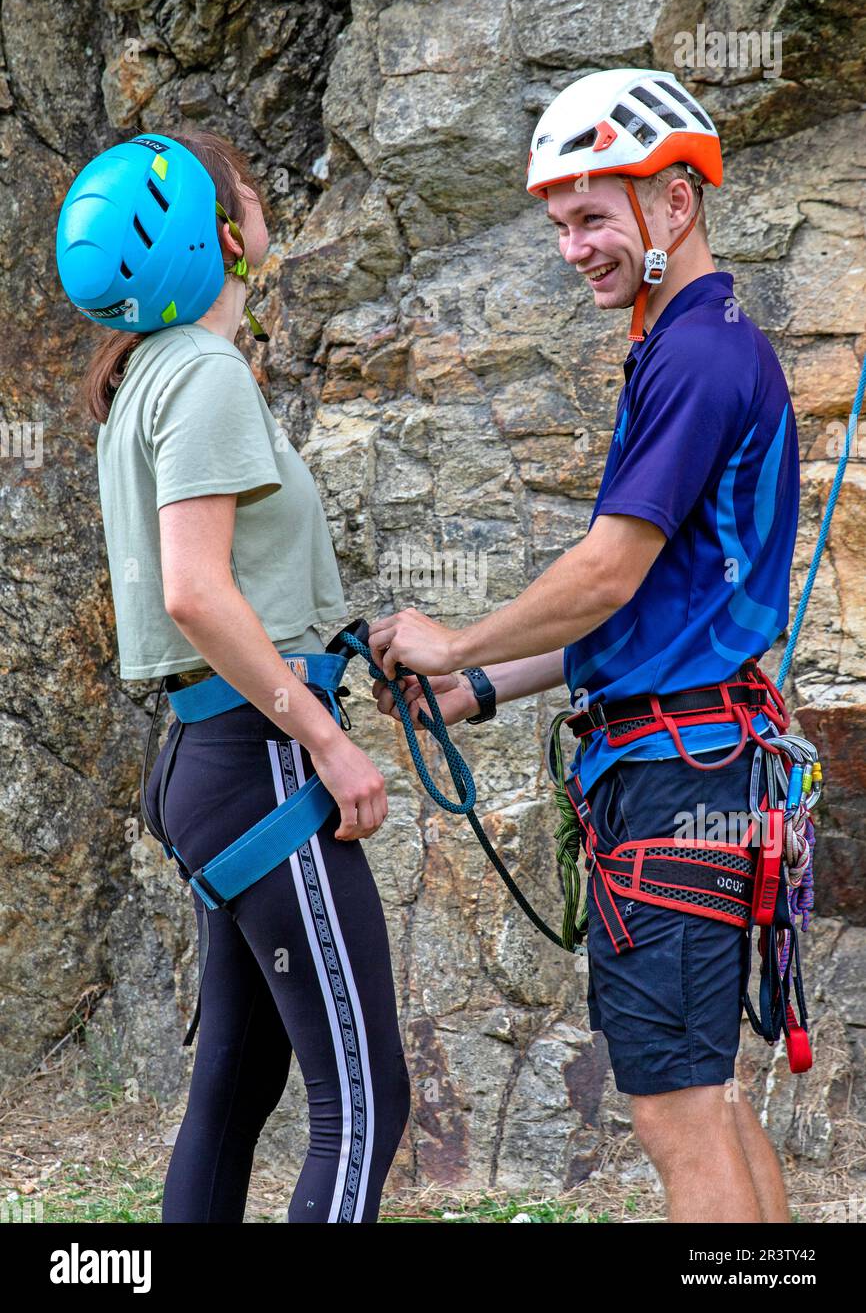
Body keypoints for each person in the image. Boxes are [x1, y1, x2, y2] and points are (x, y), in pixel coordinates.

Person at [368, 69, 799, 1223]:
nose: (572, 248)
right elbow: (648, 605)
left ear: (672, 202)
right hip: (701, 757)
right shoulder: (690, 344)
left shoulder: (696, 358)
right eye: (559, 225)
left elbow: (603, 572)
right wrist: (481, 685)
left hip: (676, 776)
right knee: (704, 1095)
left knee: (671, 1107)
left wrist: (453, 635)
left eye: (592, 216)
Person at [56, 129, 410, 1223]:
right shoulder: (203, 373)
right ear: (220, 238)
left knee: (236, 1087)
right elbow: (197, 593)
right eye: (251, 198)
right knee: (363, 1104)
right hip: (257, 764)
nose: (265, 213)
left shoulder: (152, 375)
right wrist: (326, 735)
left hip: (210, 764)